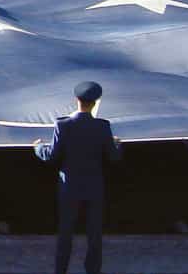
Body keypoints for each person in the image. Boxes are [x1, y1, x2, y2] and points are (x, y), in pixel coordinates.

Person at [34, 80, 122, 274]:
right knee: (94, 234)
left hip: (69, 187)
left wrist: (38, 147)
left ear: (76, 100)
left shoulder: (63, 125)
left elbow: (52, 156)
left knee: (65, 234)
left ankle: (61, 270)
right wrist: (118, 144)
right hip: (94, 187)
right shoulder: (102, 126)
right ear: (96, 102)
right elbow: (113, 157)